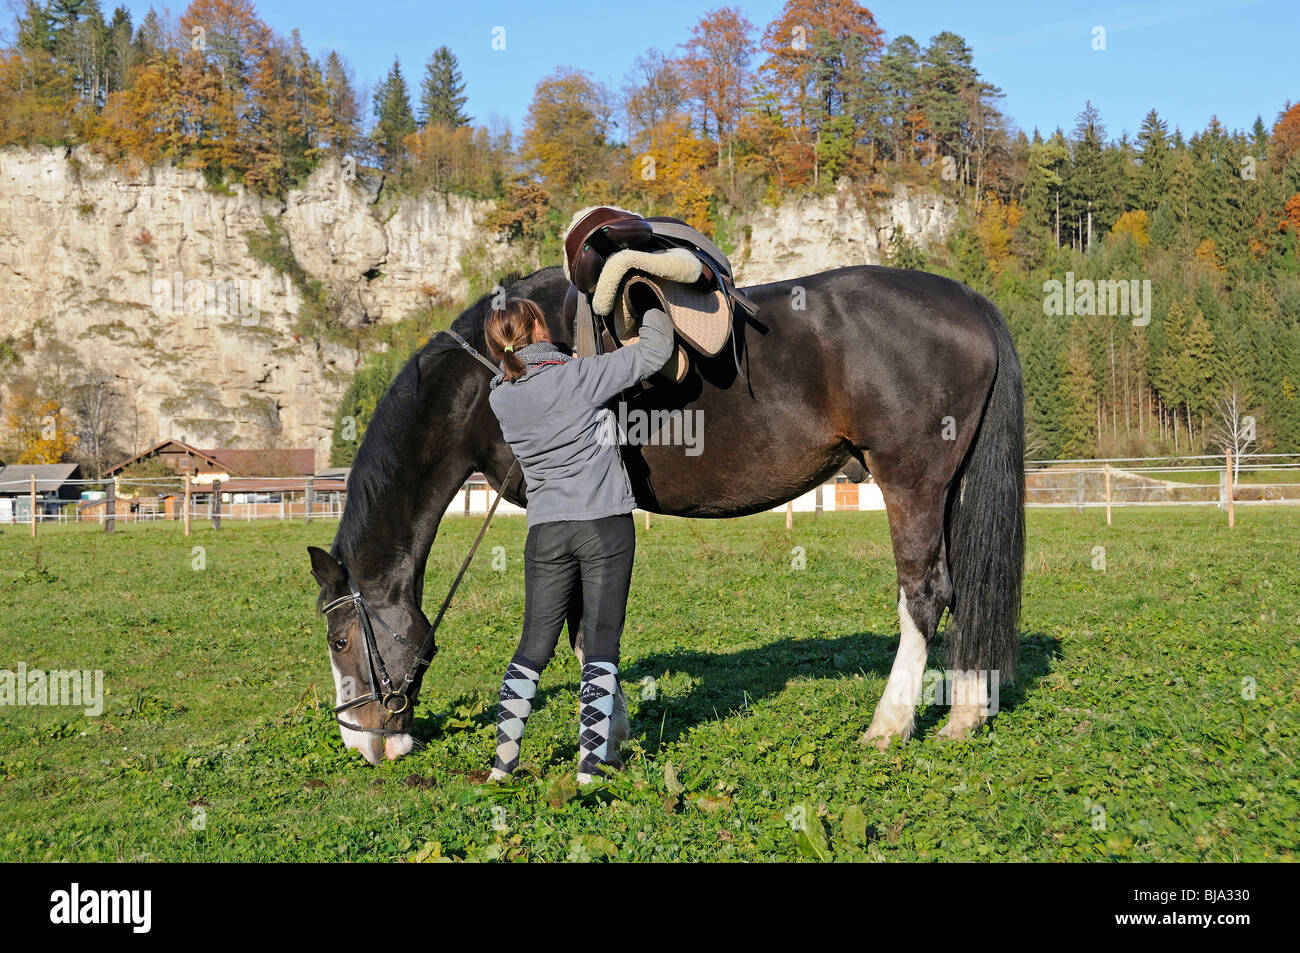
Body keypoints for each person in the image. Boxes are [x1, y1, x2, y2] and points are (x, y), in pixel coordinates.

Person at [484, 296, 674, 783]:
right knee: (603, 646)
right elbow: (655, 352)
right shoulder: (577, 375)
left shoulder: (500, 397)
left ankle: (503, 764)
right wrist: (650, 300)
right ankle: (592, 763)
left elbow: (523, 374)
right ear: (541, 328)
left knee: (531, 649)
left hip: (545, 531)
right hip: (603, 524)